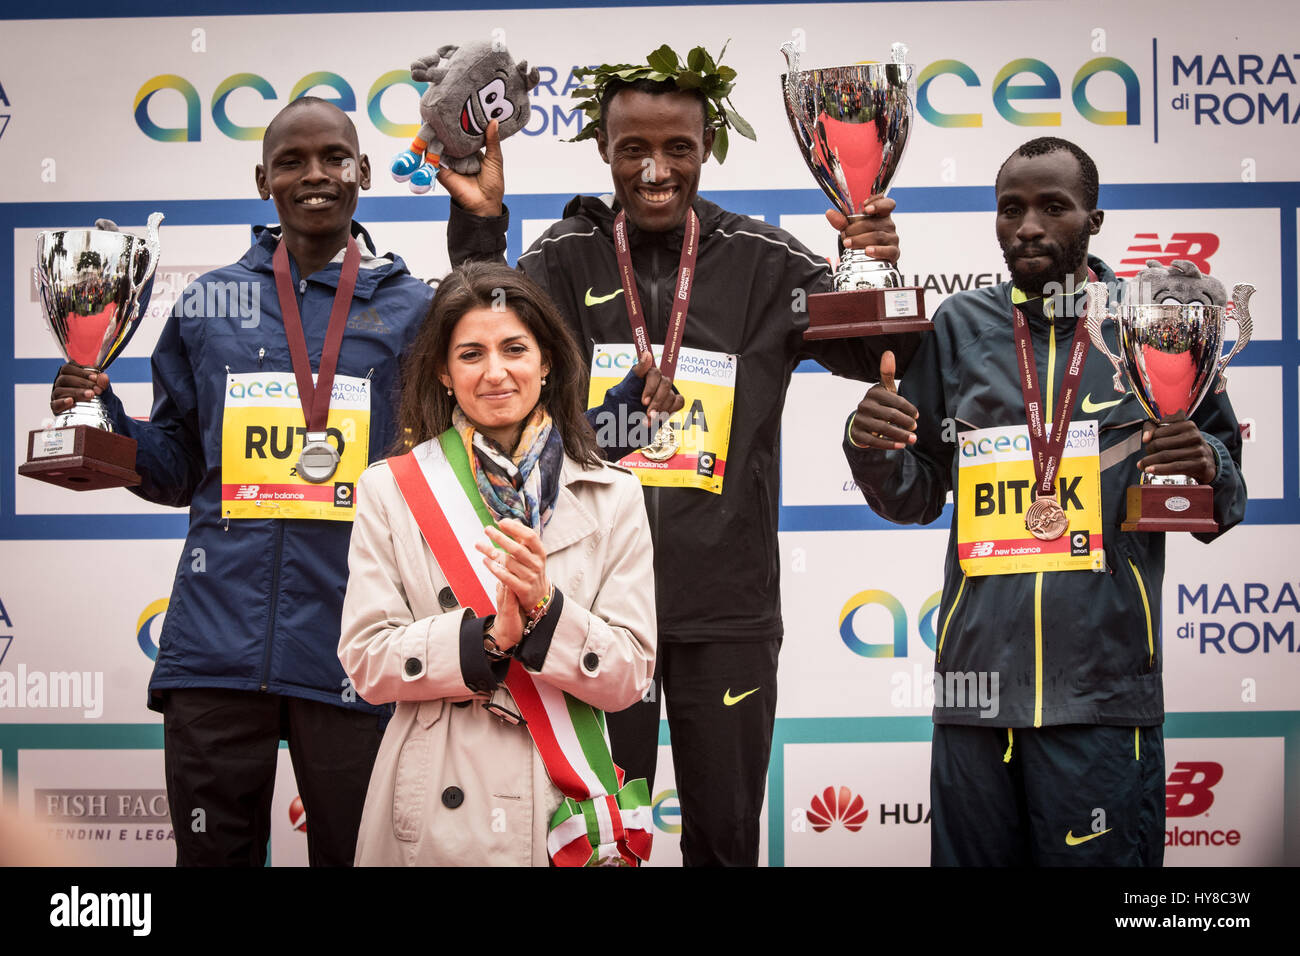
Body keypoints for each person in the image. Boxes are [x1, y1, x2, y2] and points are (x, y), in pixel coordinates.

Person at [441, 46, 914, 866]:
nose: (657, 171)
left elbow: (874, 349)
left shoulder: (767, 263)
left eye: (678, 149)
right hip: (586, 606)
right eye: (634, 150)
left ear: (707, 149)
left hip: (724, 613)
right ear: (603, 150)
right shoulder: (561, 259)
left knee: (725, 841)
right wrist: (482, 222)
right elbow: (481, 341)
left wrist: (869, 261)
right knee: (587, 841)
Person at [49, 97, 437, 866]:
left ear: (363, 171)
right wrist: (107, 423)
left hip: (355, 648)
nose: (315, 175)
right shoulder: (208, 304)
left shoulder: (414, 309)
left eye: (334, 157)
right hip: (216, 648)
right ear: (263, 179)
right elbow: (176, 467)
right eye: (292, 161)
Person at [843, 137, 1247, 865]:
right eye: (1010, 209)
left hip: (1099, 699)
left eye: (1052, 207)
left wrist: (1207, 462)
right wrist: (871, 451)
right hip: (974, 697)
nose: (1027, 225)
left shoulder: (1153, 323)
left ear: (1094, 220)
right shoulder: (960, 327)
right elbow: (916, 495)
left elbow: (1222, 501)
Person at [339, 262, 656, 866]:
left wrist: (545, 612)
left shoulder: (615, 493)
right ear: (442, 369)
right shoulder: (392, 489)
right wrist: (482, 641)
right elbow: (366, 661)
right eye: (470, 354)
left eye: (515, 348)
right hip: (437, 796)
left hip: (559, 796)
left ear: (547, 361)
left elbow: (629, 676)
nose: (495, 372)